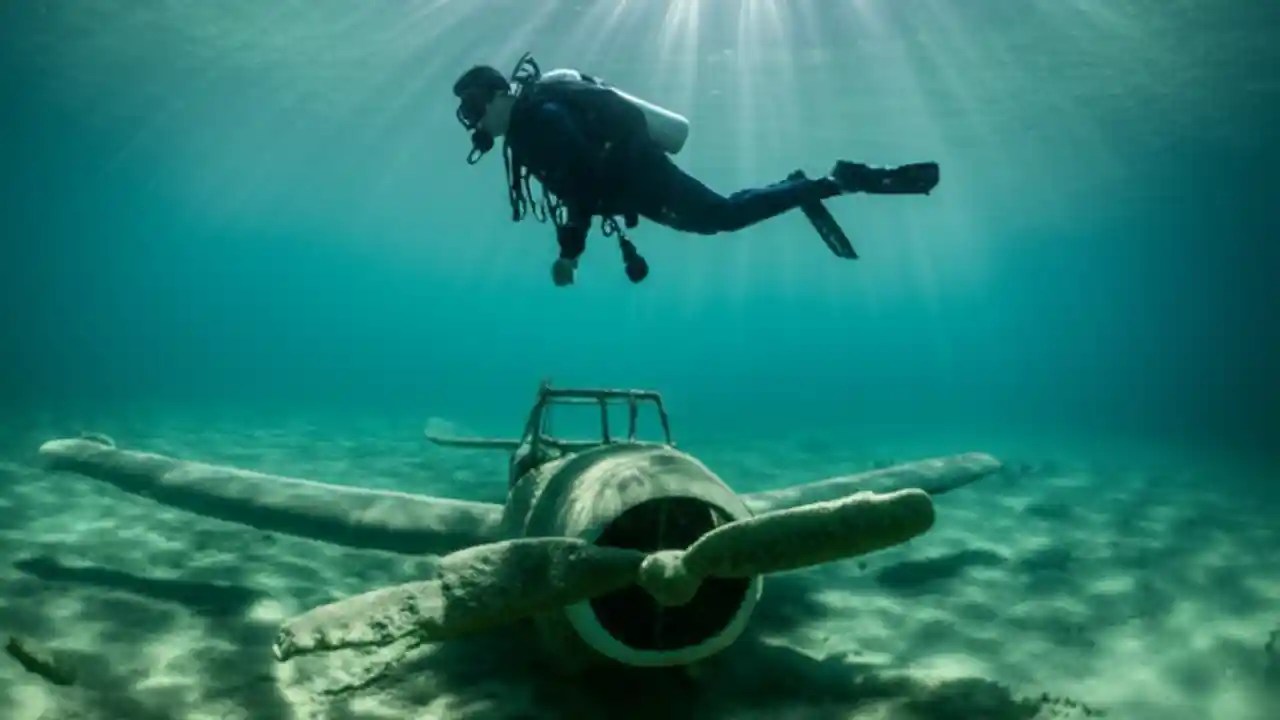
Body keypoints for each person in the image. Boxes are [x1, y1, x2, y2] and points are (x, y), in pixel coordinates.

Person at [452, 54, 940, 287]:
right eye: (466, 112)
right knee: (720, 215)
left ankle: (835, 181)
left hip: (643, 179)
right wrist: (573, 249)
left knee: (721, 217)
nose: (472, 119)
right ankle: (809, 185)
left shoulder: (539, 119)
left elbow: (580, 180)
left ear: (498, 94)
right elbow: (579, 182)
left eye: (473, 105)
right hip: (637, 182)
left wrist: (571, 251)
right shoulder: (528, 128)